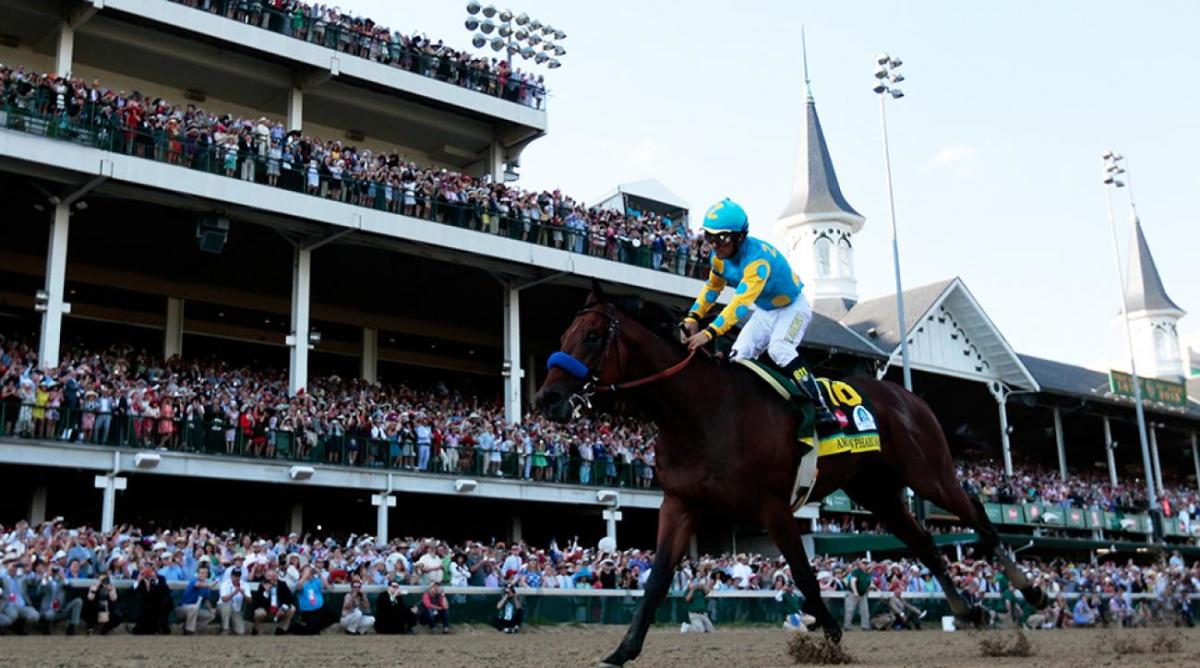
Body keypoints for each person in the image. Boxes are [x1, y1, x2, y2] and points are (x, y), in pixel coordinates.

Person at [679, 198, 838, 445]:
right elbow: (712, 288)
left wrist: (708, 333)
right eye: (709, 237)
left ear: (739, 237)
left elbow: (739, 304)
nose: (714, 245)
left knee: (779, 348)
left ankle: (820, 406)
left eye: (721, 238)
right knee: (737, 357)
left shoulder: (757, 263)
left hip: (793, 307)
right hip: (766, 310)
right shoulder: (718, 258)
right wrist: (693, 316)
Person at [33, 562, 83, 634]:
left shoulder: (61, 580)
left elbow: (72, 591)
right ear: (48, 569)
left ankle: (72, 626)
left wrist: (64, 578)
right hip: (48, 609)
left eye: (56, 568)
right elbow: (39, 592)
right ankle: (46, 625)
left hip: (61, 608)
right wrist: (46, 578)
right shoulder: (45, 579)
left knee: (78, 601)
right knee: (49, 615)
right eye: (52, 569)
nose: (54, 571)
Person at [251, 568, 295, 635]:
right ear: (265, 577)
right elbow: (257, 603)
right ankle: (256, 629)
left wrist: (283, 608)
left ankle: (281, 629)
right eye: (269, 576)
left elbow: (289, 599)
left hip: (279, 610)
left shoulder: (282, 584)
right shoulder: (261, 586)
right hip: (266, 611)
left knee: (292, 608)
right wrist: (266, 592)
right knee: (258, 613)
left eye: (274, 575)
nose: (272, 577)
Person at [177, 562, 216, 635]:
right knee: (193, 608)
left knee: (211, 616)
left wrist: (211, 609)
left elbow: (206, 600)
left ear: (207, 574)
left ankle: (188, 627)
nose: (203, 574)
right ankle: (189, 631)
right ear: (198, 574)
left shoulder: (206, 585)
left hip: (195, 610)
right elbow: (198, 584)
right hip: (183, 609)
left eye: (205, 573)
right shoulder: (194, 580)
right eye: (201, 573)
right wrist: (209, 585)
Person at [132, 565, 173, 634]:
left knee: (165, 605)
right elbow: (134, 591)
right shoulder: (141, 580)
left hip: (159, 603)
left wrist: (155, 580)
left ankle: (161, 628)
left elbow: (165, 590)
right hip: (146, 604)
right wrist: (138, 581)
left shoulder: (161, 578)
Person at [218, 567, 250, 635]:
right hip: (222, 607)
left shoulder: (244, 584)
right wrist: (234, 593)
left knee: (241, 631)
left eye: (238, 576)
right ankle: (225, 629)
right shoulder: (225, 584)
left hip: (236, 610)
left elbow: (249, 601)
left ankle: (231, 627)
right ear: (231, 576)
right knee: (227, 607)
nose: (237, 578)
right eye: (235, 576)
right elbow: (223, 599)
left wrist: (244, 594)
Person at [843, 559, 872, 631]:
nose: (865, 565)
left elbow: (868, 585)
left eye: (866, 564)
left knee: (865, 611)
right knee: (850, 610)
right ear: (860, 564)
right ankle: (847, 626)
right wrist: (855, 592)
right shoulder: (856, 571)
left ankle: (865, 626)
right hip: (852, 593)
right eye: (863, 563)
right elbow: (853, 582)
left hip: (863, 594)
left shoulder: (867, 574)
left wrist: (867, 593)